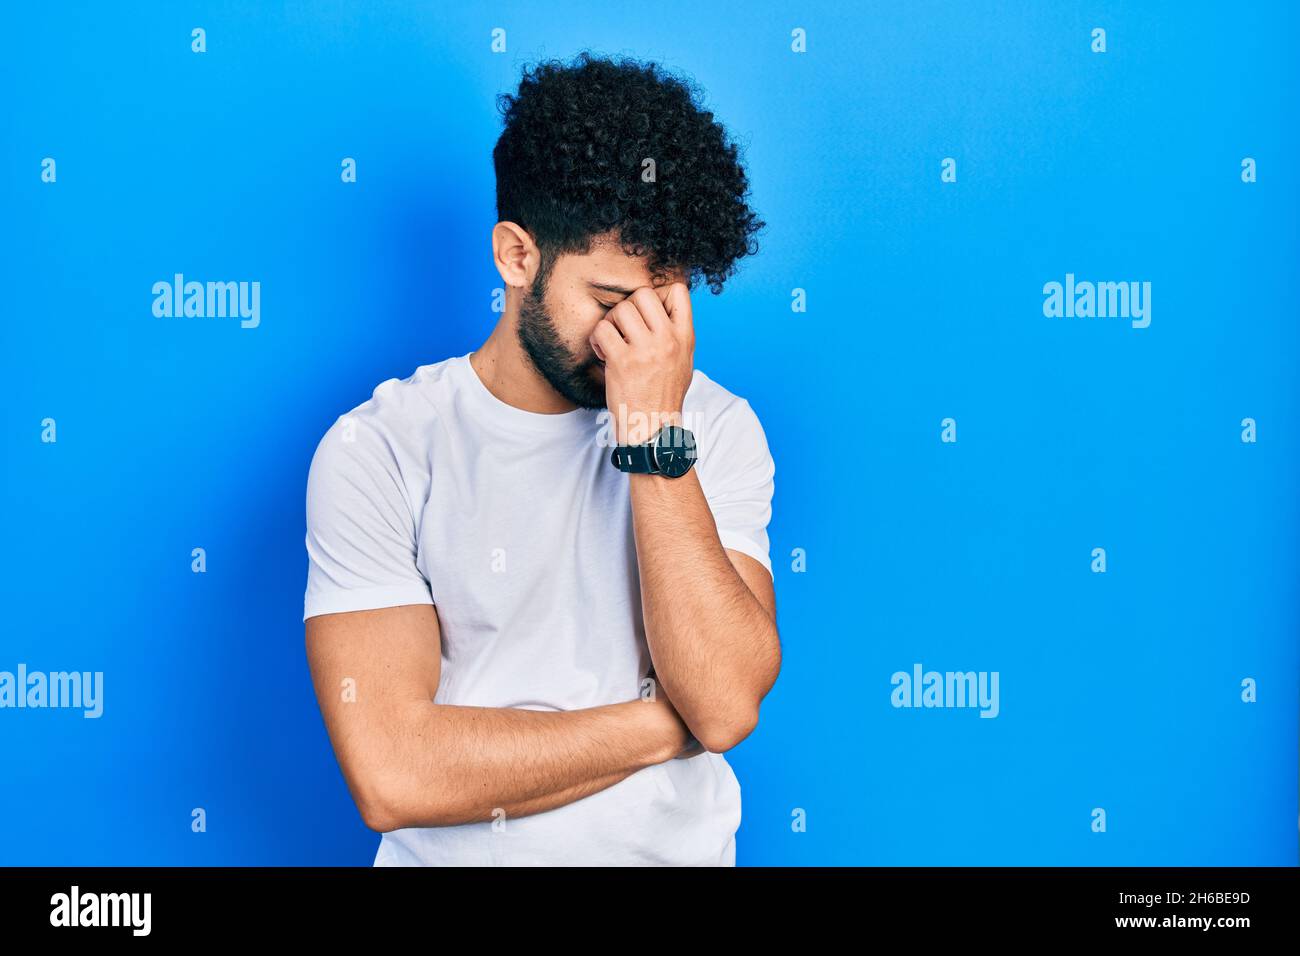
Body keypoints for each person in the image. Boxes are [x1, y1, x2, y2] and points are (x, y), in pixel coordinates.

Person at [303, 52, 780, 866]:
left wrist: (653, 433)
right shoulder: (381, 447)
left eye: (665, 303)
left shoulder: (716, 425)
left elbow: (726, 701)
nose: (642, 341)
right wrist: (664, 725)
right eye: (609, 302)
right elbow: (393, 774)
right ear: (517, 257)